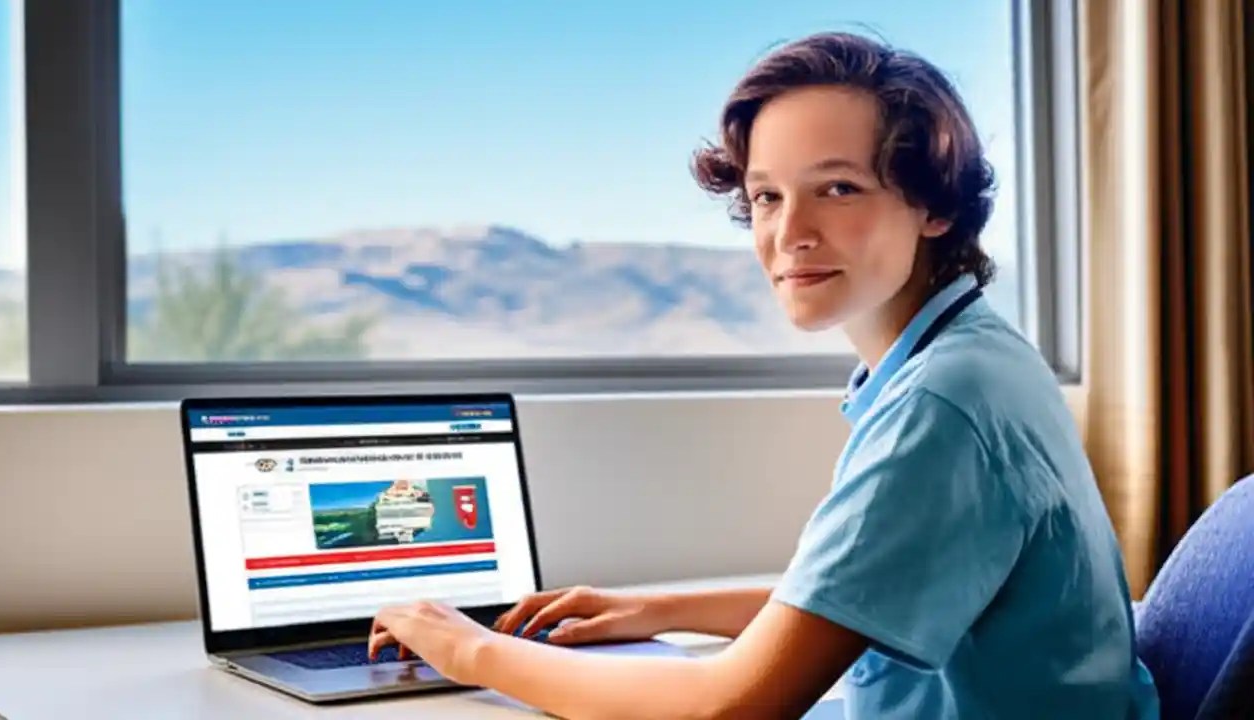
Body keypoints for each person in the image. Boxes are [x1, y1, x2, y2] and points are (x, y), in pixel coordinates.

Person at [367, 31, 1161, 719]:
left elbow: (732, 705)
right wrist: (652, 609)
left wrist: (466, 649)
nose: (791, 233)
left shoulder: (944, 403)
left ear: (935, 207)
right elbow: (852, 598)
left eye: (837, 188)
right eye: (768, 197)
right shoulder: (972, 353)